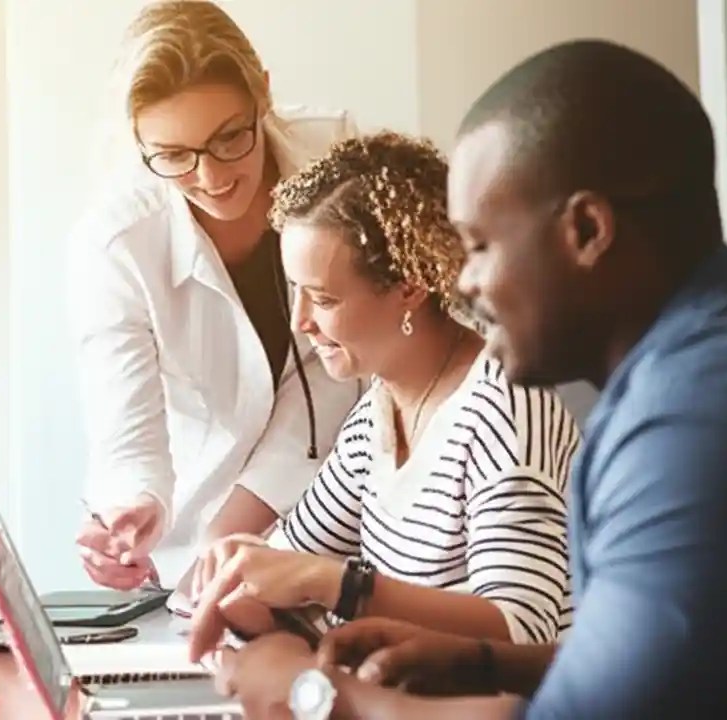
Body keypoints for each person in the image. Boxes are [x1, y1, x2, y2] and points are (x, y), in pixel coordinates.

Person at [208, 39, 727, 719]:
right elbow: (637, 659)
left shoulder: (702, 421)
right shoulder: (722, 351)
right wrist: (482, 660)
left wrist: (319, 695)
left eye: (480, 245)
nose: (467, 282)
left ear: (588, 229)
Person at [186, 132, 579, 657]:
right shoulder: (378, 411)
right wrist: (242, 573)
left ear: (410, 287)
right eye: (294, 291)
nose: (301, 323)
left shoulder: (505, 409)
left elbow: (519, 629)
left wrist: (336, 583)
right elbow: (294, 560)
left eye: (323, 298)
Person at [69, 0, 363, 591]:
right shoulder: (115, 242)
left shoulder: (339, 161)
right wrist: (129, 513)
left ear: (265, 96)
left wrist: (242, 518)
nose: (211, 177)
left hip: (346, 516)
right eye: (174, 156)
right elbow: (126, 432)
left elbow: (348, 363)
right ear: (138, 142)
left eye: (231, 137)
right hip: (199, 553)